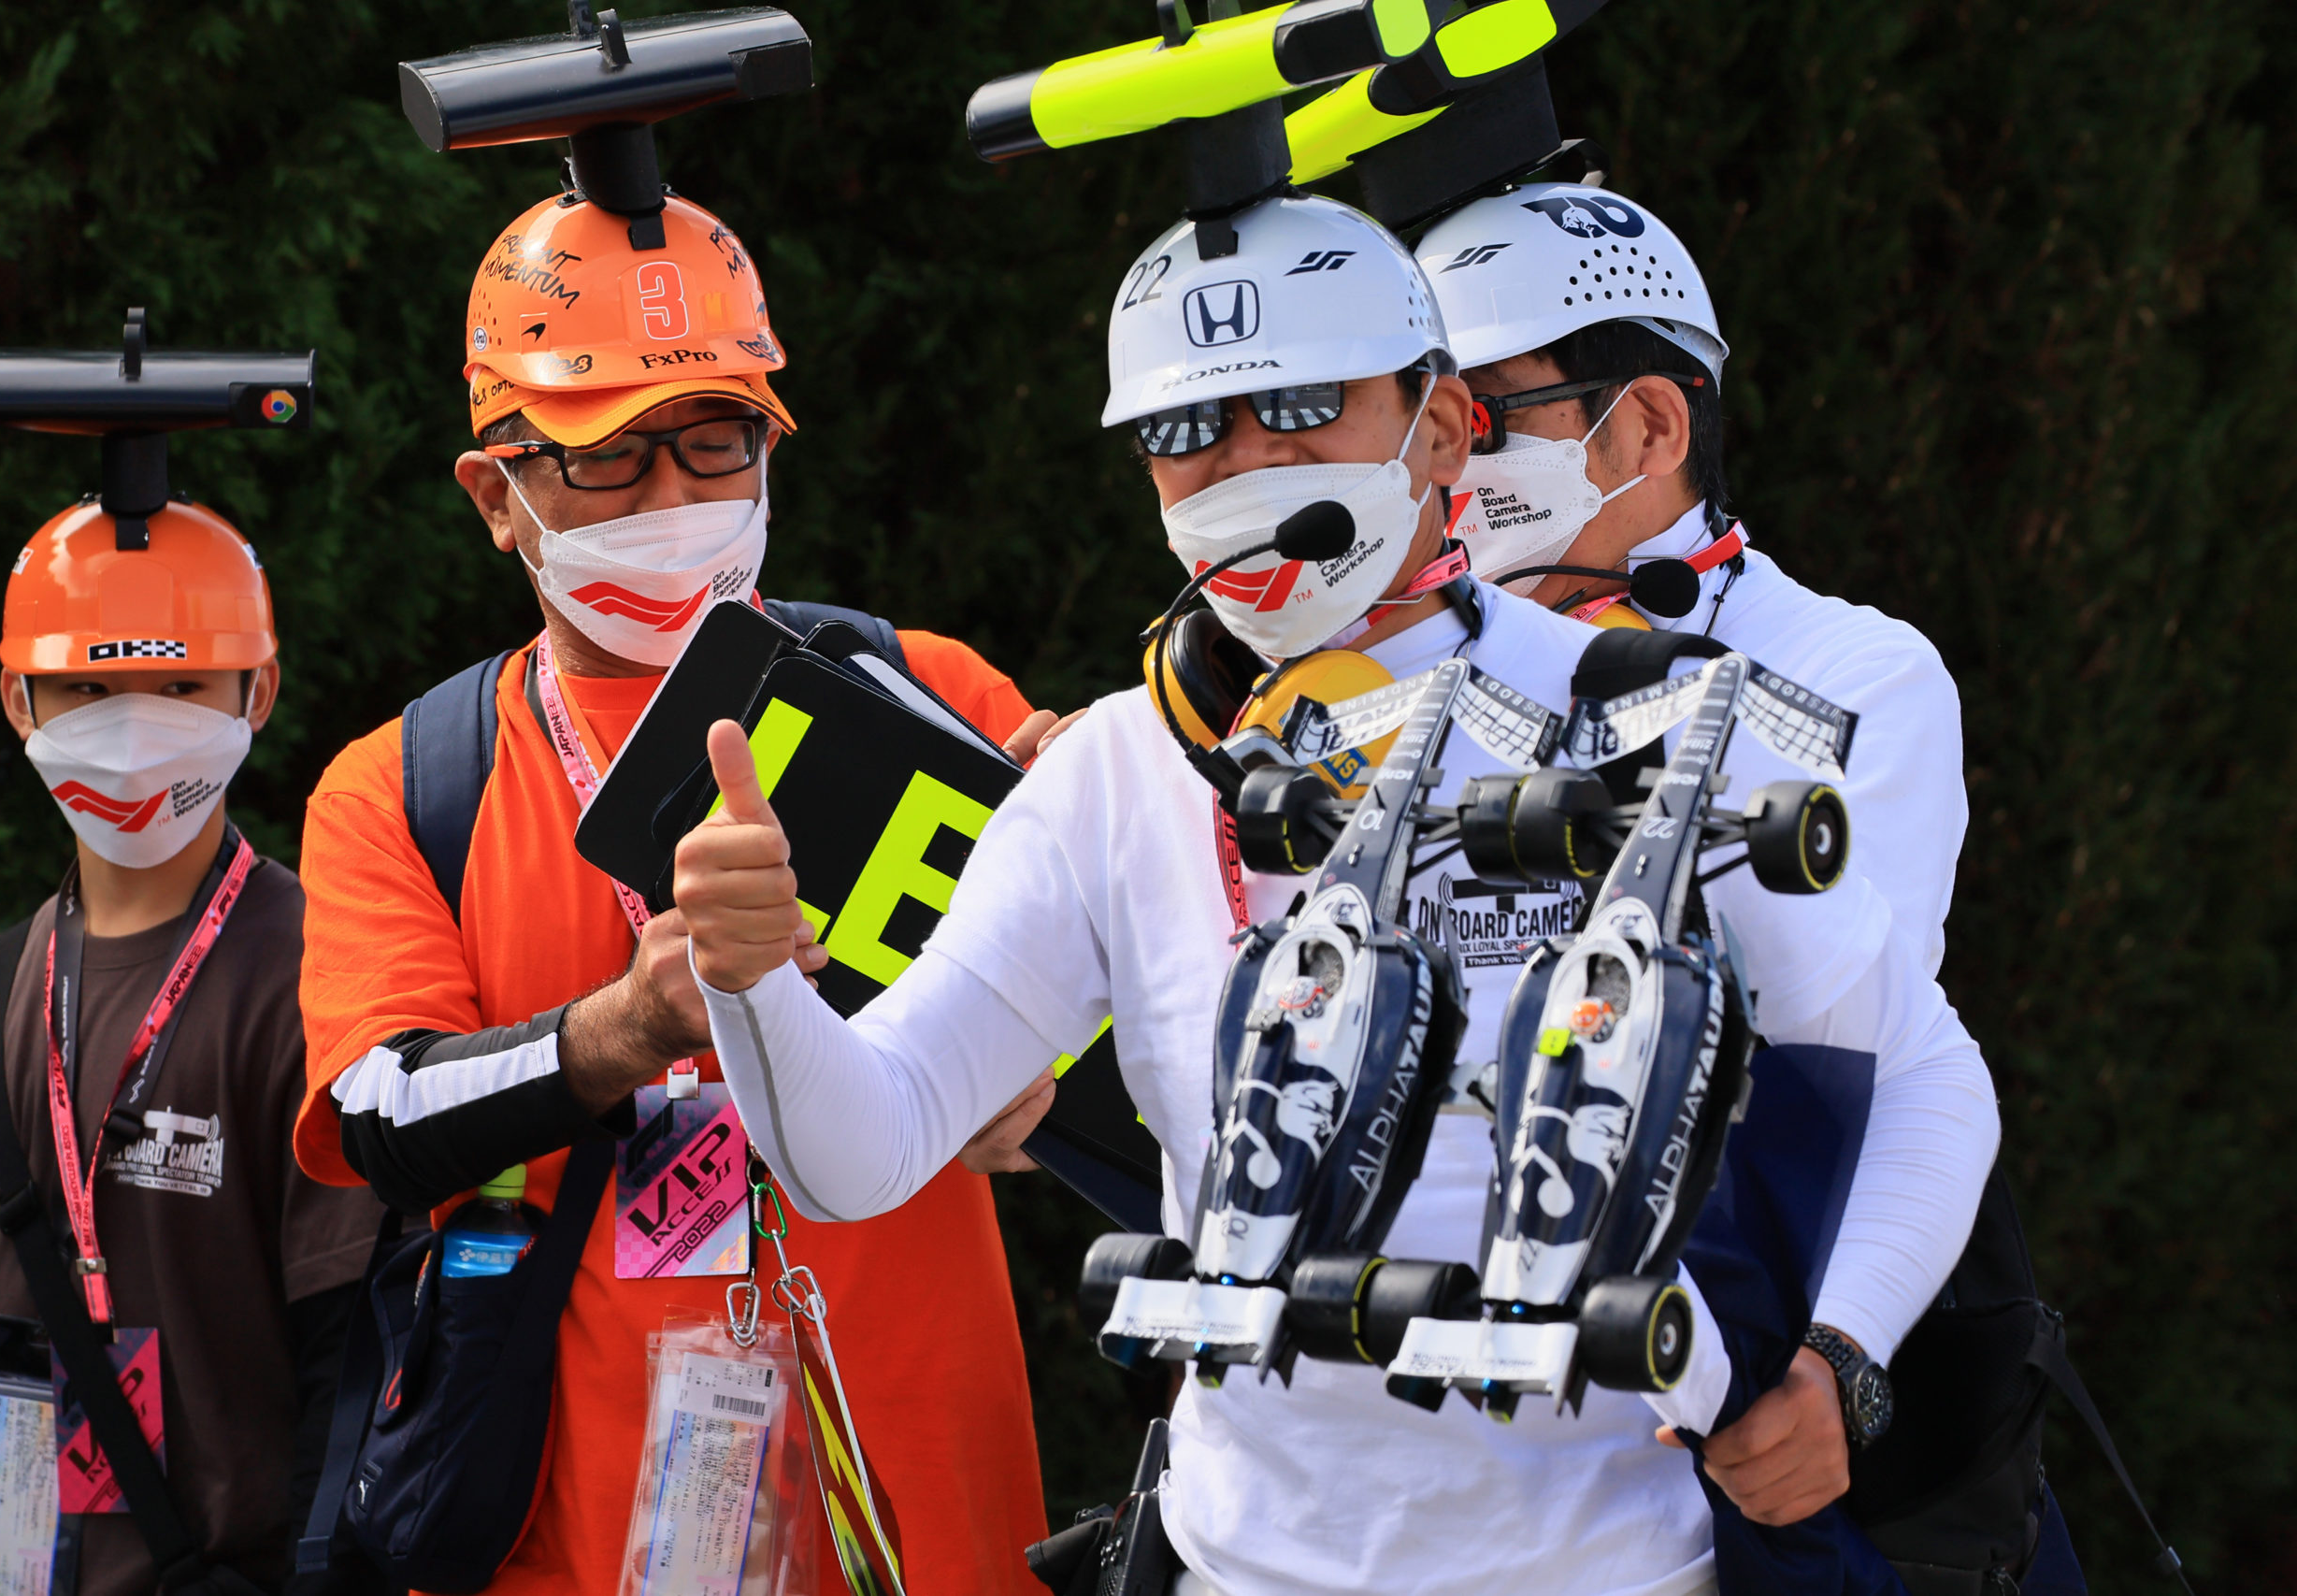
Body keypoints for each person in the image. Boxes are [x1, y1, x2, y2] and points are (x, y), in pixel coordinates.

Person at [677, 190, 2003, 1594]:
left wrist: (1841, 1356)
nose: (1246, 465)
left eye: (1301, 405)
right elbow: (860, 1147)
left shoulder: (1664, 717)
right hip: (1242, 1562)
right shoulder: (1114, 773)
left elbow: (1917, 1058)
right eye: (1188, 431)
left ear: (1439, 429)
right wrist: (749, 974)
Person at [287, 183, 1055, 1596]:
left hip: (930, 1507)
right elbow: (374, 1111)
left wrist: (1042, 1055)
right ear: (496, 496)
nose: (675, 499)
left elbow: (1149, 1038)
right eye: (605, 458)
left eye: (716, 442)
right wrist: (626, 1027)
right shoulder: (403, 785)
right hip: (576, 1530)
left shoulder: (929, 693)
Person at [0, 495, 384, 1594]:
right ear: (17, 700)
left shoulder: (322, 979)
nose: (132, 726)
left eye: (180, 688)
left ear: (258, 691)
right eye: (86, 689)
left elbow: (343, 1360)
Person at [1416, 181, 1966, 978]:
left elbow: (1834, 1020)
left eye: (1482, 422)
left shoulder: (1859, 679)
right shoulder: (1409, 665)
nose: (1444, 465)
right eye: (1428, 426)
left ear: (1652, 425)